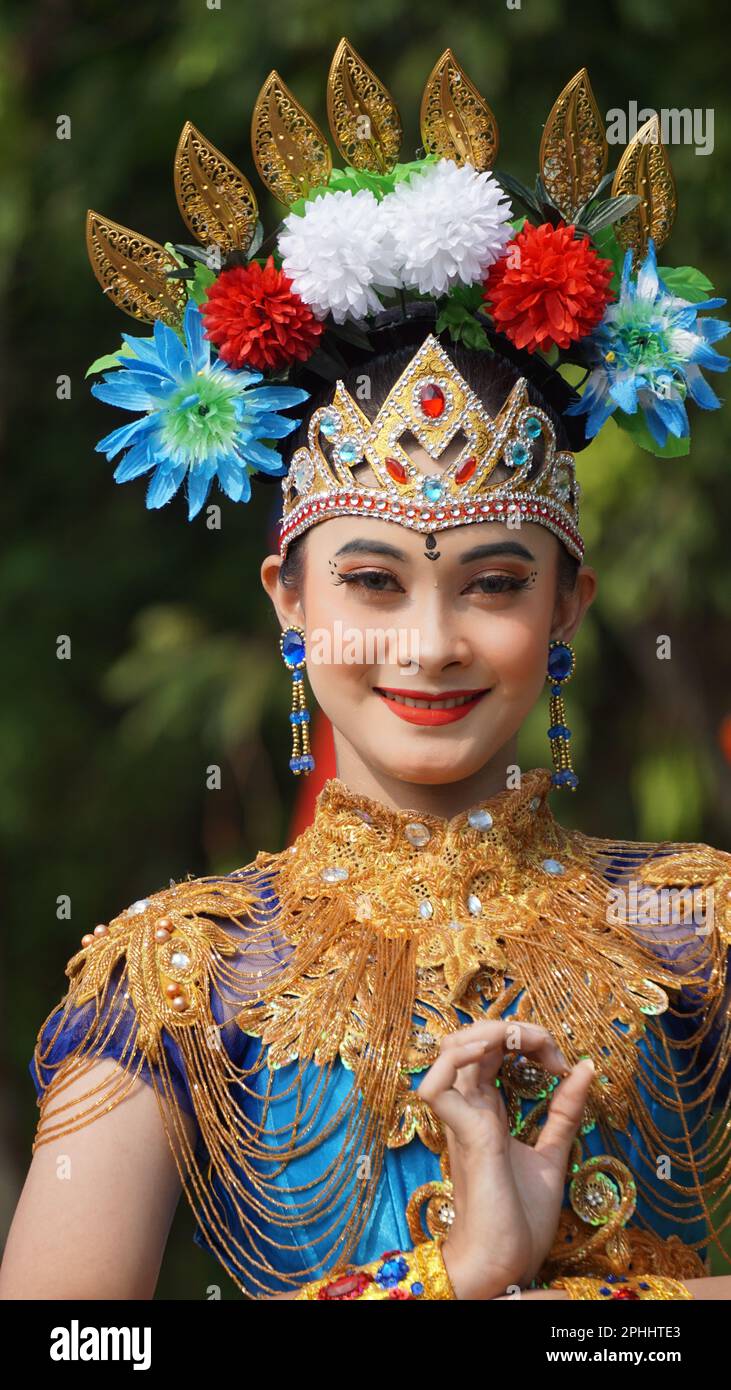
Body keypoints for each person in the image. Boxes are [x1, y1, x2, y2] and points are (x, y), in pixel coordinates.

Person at [2, 41, 731, 1303]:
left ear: (569, 604)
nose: (431, 640)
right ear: (289, 600)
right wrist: (454, 1279)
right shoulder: (173, 979)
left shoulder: (701, 935)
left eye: (494, 584)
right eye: (372, 581)